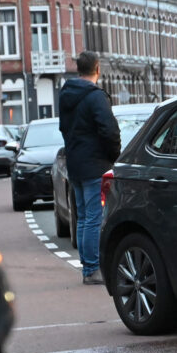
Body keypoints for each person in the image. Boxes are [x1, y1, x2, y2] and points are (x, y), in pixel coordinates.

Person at [58, 51, 121, 285]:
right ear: (98, 69)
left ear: (78, 70)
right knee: (94, 218)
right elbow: (109, 130)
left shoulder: (66, 96)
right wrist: (114, 155)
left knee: (84, 217)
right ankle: (93, 269)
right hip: (95, 164)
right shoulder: (96, 97)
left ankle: (88, 268)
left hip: (75, 164)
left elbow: (64, 129)